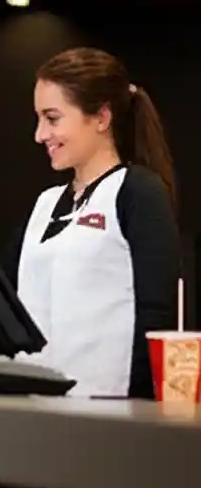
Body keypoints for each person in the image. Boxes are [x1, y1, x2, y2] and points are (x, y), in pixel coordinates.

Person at [17, 48, 182, 398]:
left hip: (108, 410)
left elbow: (156, 315)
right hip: (35, 407)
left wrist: (139, 410)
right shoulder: (45, 203)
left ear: (102, 117)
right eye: (39, 119)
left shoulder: (137, 192)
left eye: (52, 118)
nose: (40, 134)